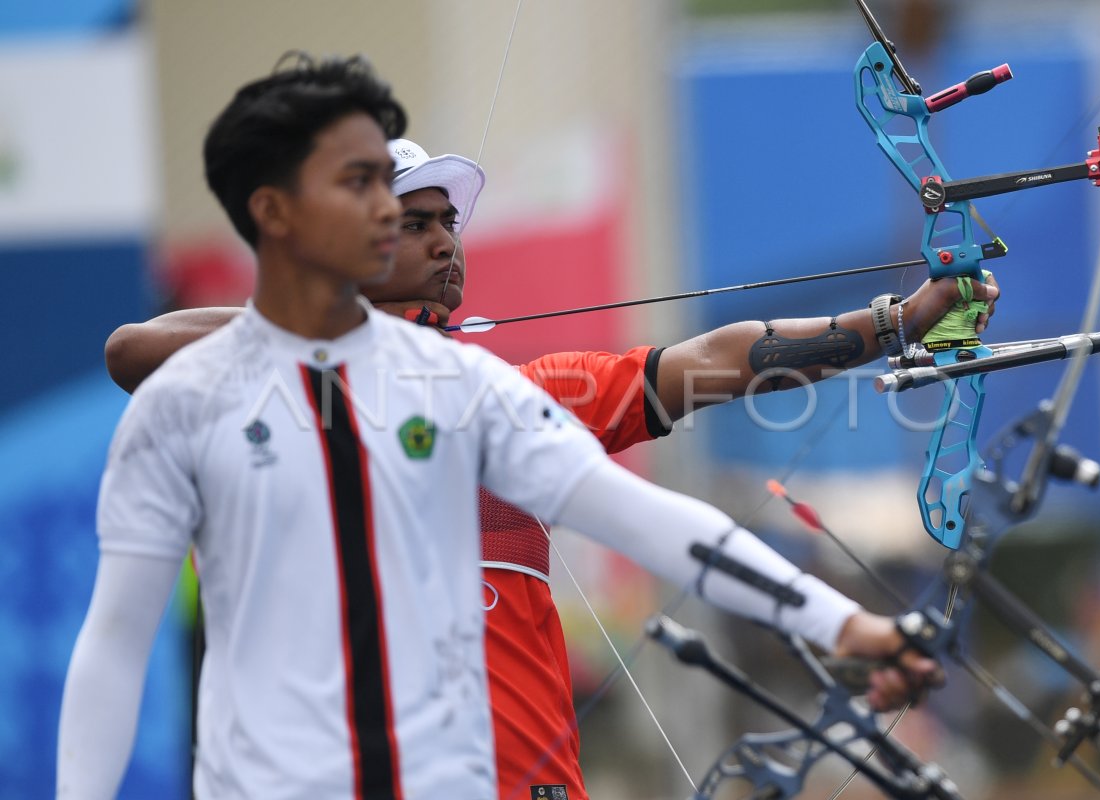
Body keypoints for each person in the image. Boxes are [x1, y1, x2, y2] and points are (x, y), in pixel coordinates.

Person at [58, 54, 949, 800]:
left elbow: (692, 433)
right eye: (413, 222)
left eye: (449, 223)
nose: (447, 242)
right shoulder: (219, 396)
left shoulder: (488, 394)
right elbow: (133, 359)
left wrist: (895, 323)